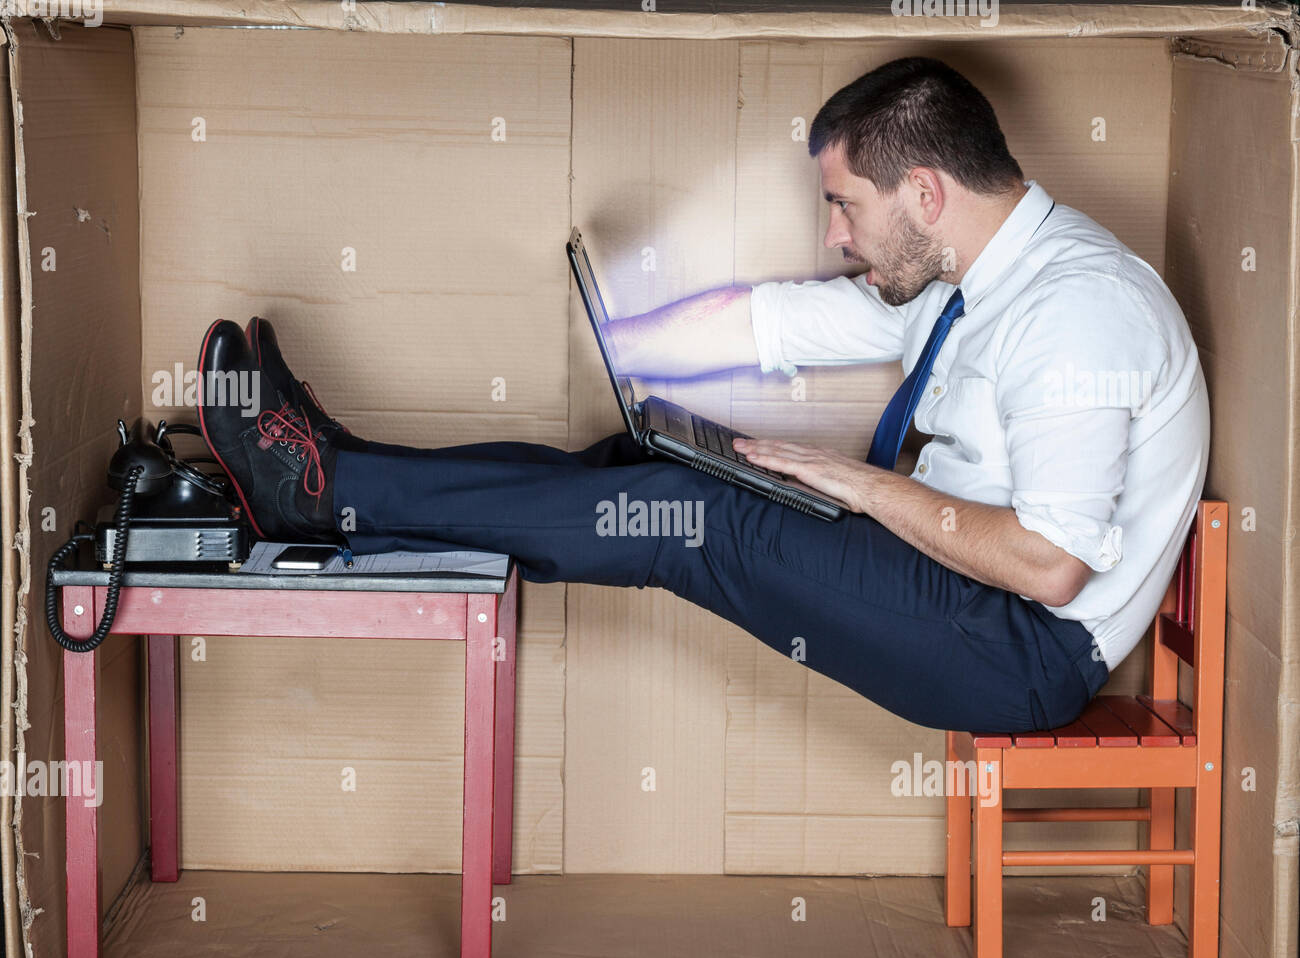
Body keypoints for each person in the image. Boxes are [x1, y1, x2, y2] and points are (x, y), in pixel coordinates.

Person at [195, 56, 1208, 734]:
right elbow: (776, 320)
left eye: (843, 207)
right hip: (953, 586)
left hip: (1017, 650)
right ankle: (341, 485)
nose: (833, 238)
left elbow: (1050, 567)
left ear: (926, 193)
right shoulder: (963, 278)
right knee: (645, 462)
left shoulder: (1077, 311)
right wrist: (637, 348)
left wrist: (854, 485)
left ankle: (322, 492)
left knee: (686, 521)